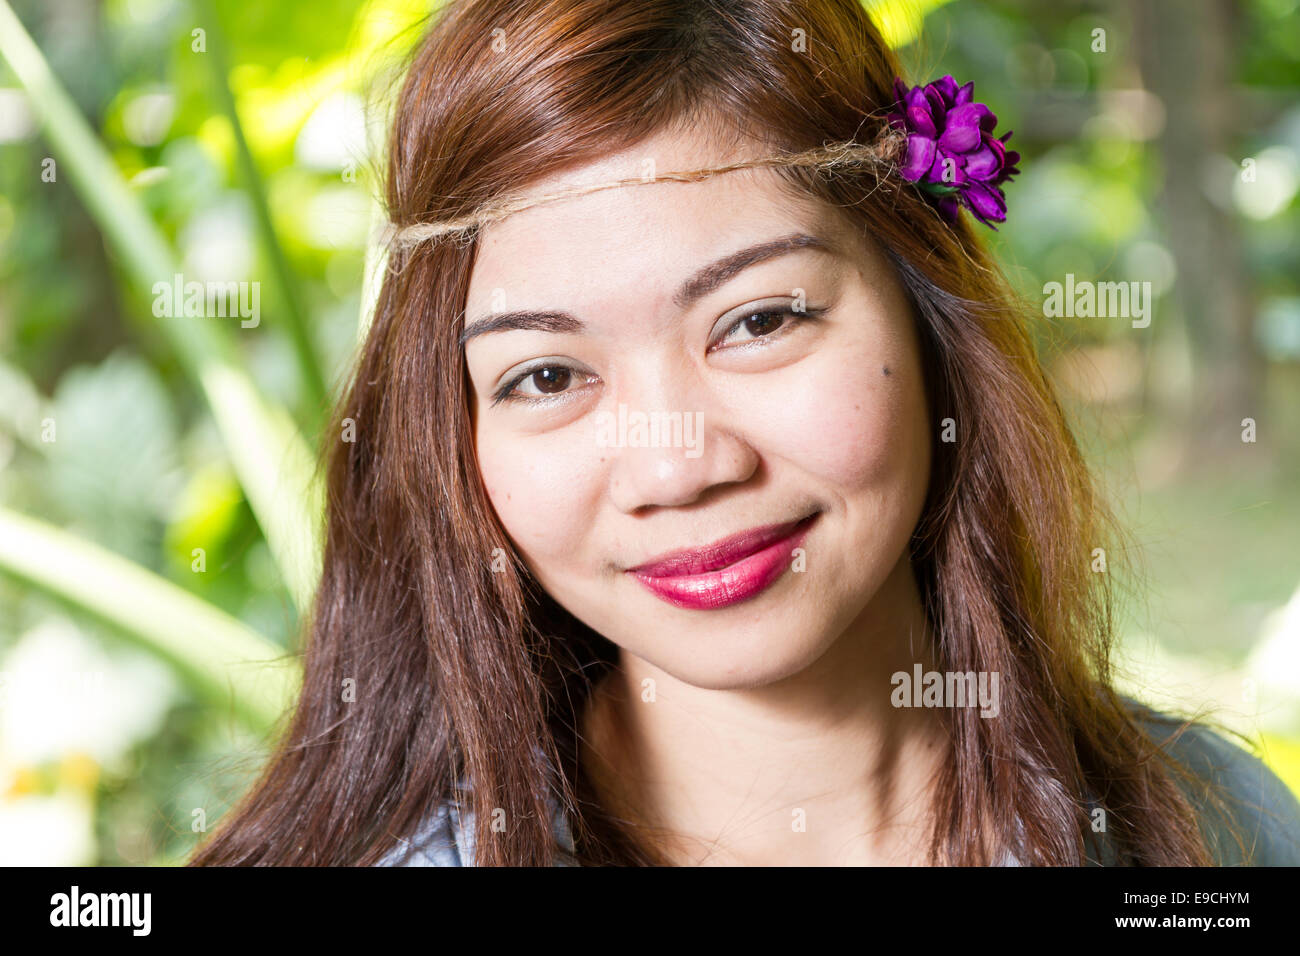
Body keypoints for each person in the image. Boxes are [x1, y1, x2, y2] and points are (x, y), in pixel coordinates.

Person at [189, 0, 1300, 866]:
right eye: (545, 374)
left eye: (759, 319)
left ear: (926, 313)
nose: (680, 464)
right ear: (457, 434)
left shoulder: (1212, 823)